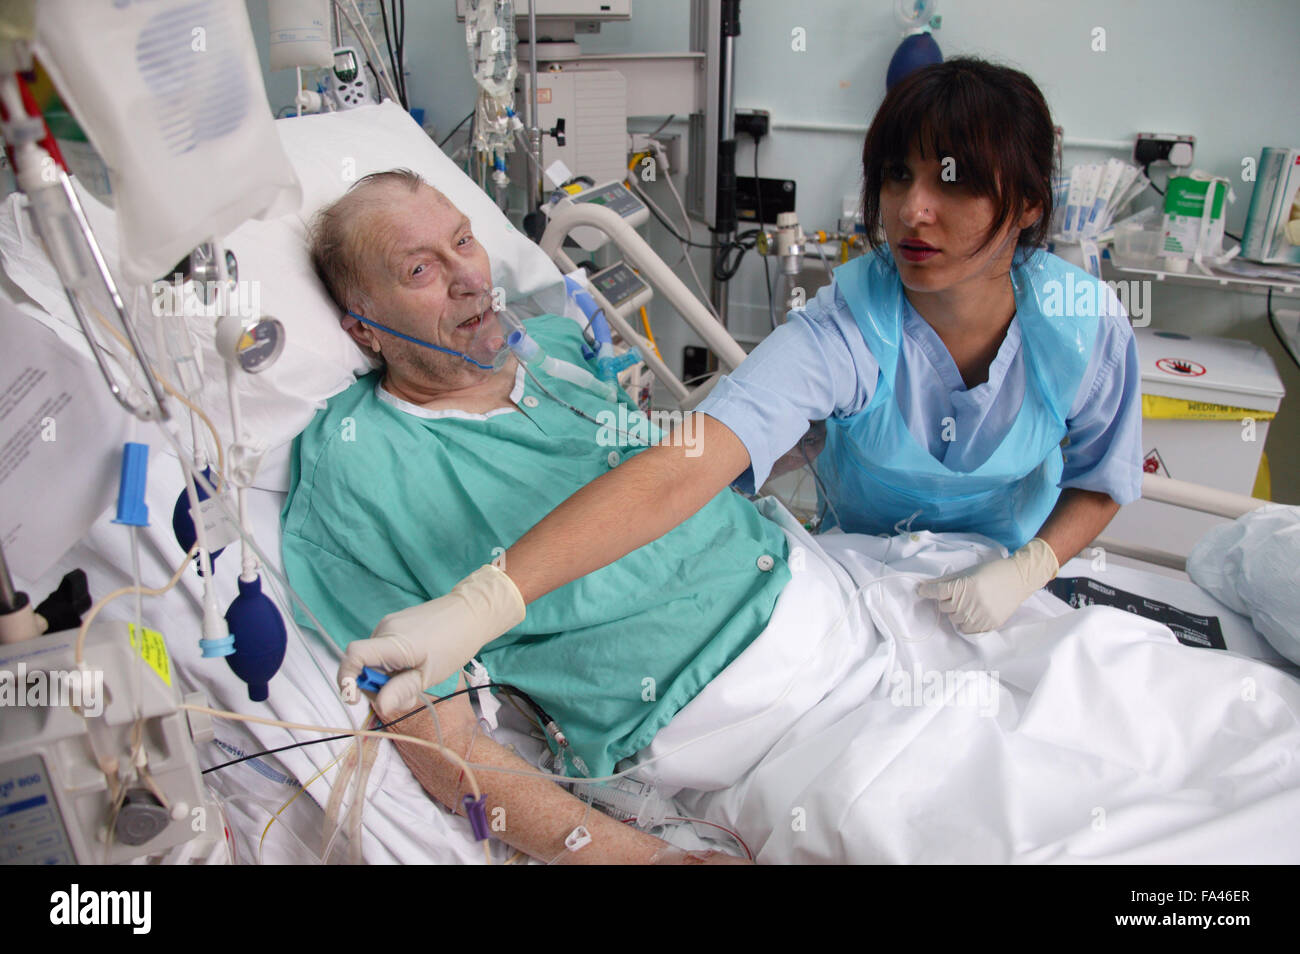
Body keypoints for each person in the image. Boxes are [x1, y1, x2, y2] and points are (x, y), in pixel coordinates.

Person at [342, 58, 1143, 707]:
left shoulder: (1081, 325)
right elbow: (691, 458)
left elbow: (1102, 479)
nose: (912, 211)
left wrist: (1033, 565)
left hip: (1004, 581)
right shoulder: (851, 326)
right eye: (896, 177)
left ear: (1028, 202)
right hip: (863, 582)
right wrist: (484, 604)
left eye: (952, 181)